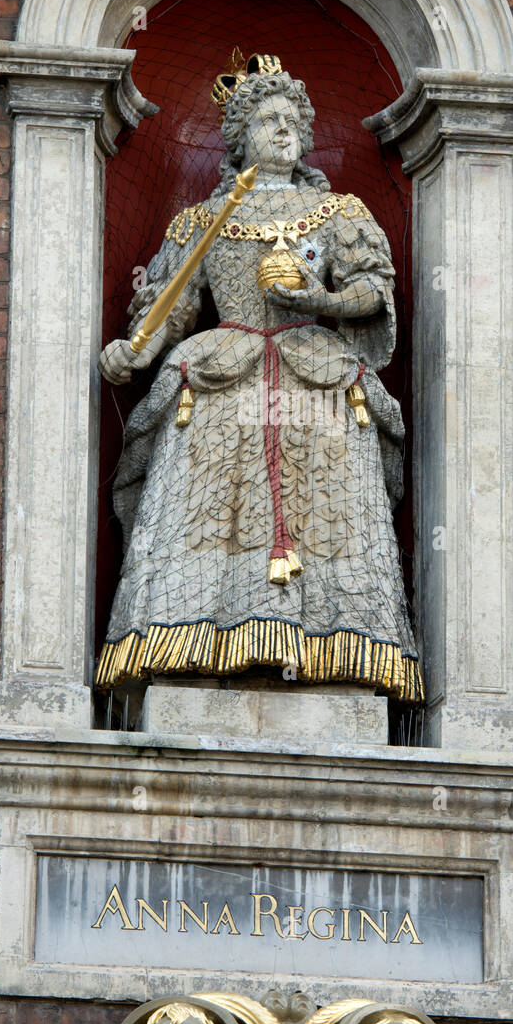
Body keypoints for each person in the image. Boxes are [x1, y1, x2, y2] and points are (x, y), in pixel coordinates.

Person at [97, 53, 422, 705]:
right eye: (268, 118)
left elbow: (371, 293)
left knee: (329, 511)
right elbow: (172, 308)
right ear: (239, 136)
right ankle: (193, 648)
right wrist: (133, 351)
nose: (283, 129)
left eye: (292, 119)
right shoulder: (200, 221)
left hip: (318, 377)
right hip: (222, 377)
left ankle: (333, 655)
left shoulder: (339, 212)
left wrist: (315, 301)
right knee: (207, 507)